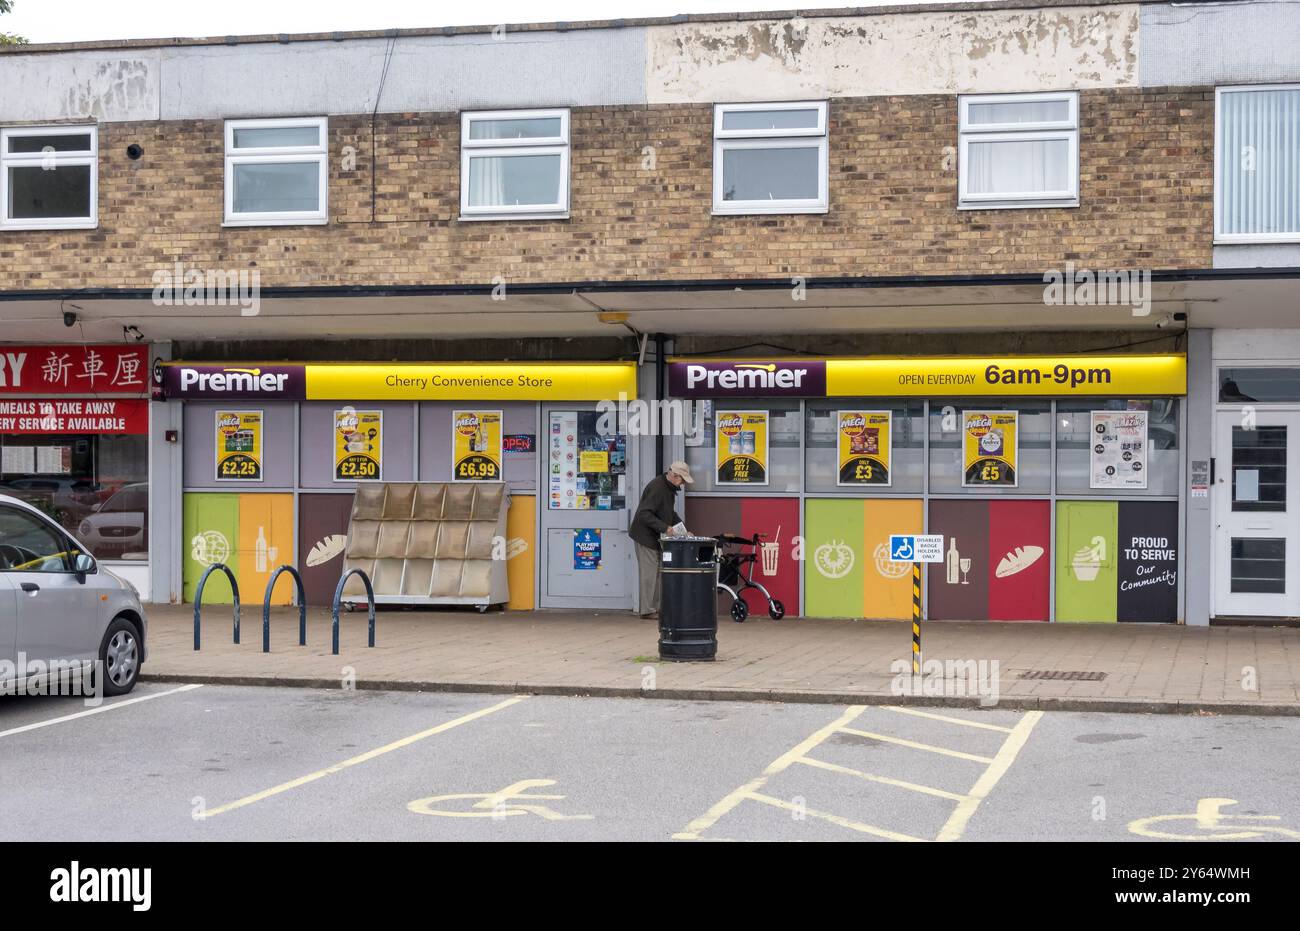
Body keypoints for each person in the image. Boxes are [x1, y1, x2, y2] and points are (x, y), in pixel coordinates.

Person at [629, 460, 694, 618]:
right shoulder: (658, 488)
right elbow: (644, 514)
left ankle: (655, 608)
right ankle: (647, 610)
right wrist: (666, 528)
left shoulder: (668, 487)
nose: (684, 483)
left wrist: (683, 530)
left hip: (653, 536)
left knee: (657, 573)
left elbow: (669, 514)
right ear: (675, 475)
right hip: (645, 536)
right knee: (649, 574)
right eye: (683, 479)